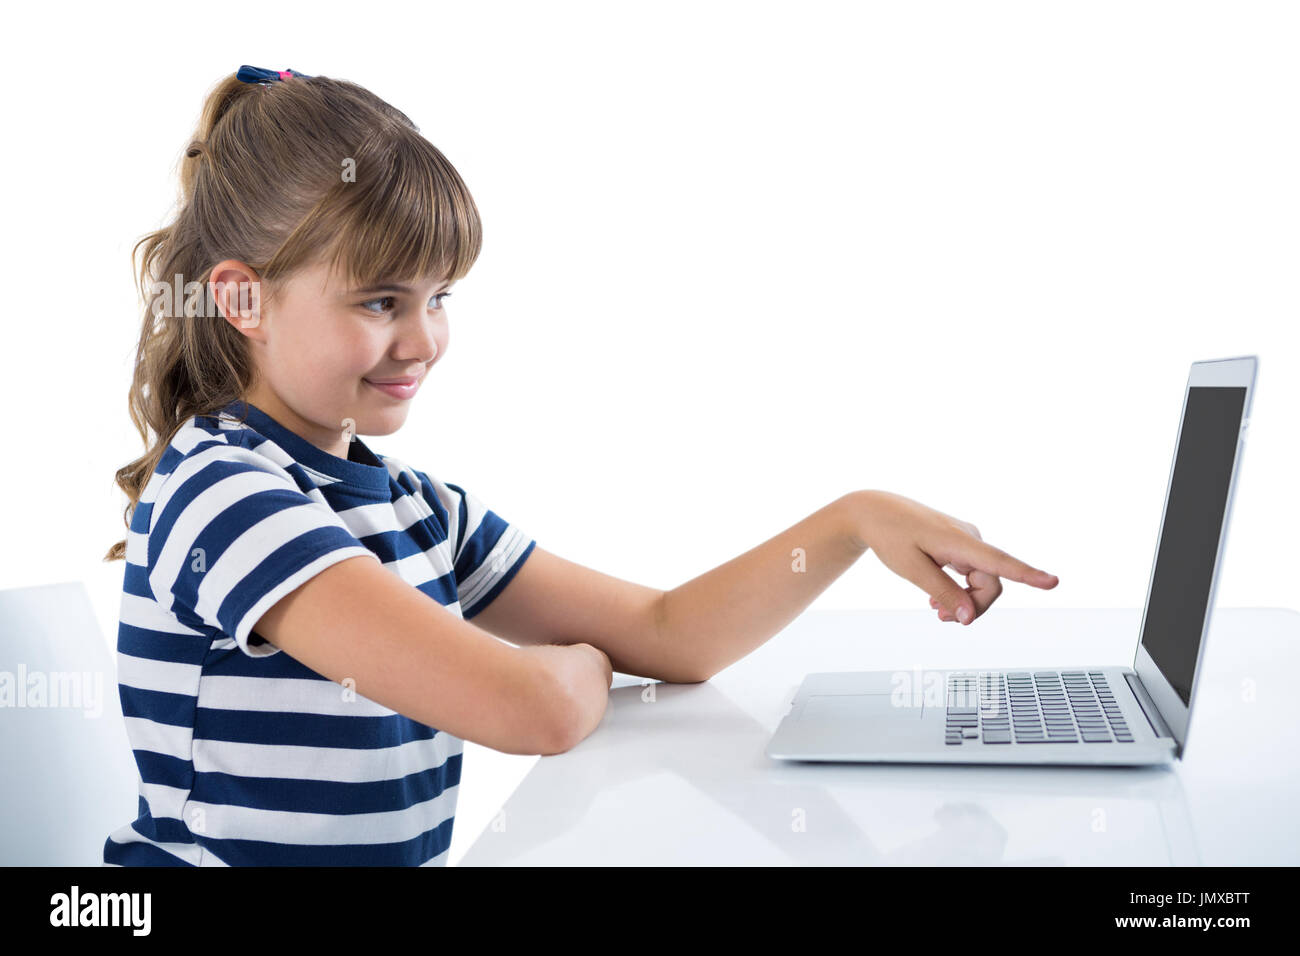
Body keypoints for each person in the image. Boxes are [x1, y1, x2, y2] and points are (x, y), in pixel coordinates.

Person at [102, 65, 1058, 867]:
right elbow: (532, 710)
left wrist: (856, 517)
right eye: (381, 301)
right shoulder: (224, 494)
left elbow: (669, 633)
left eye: (440, 296)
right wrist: (579, 668)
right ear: (242, 302)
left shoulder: (409, 507)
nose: (423, 340)